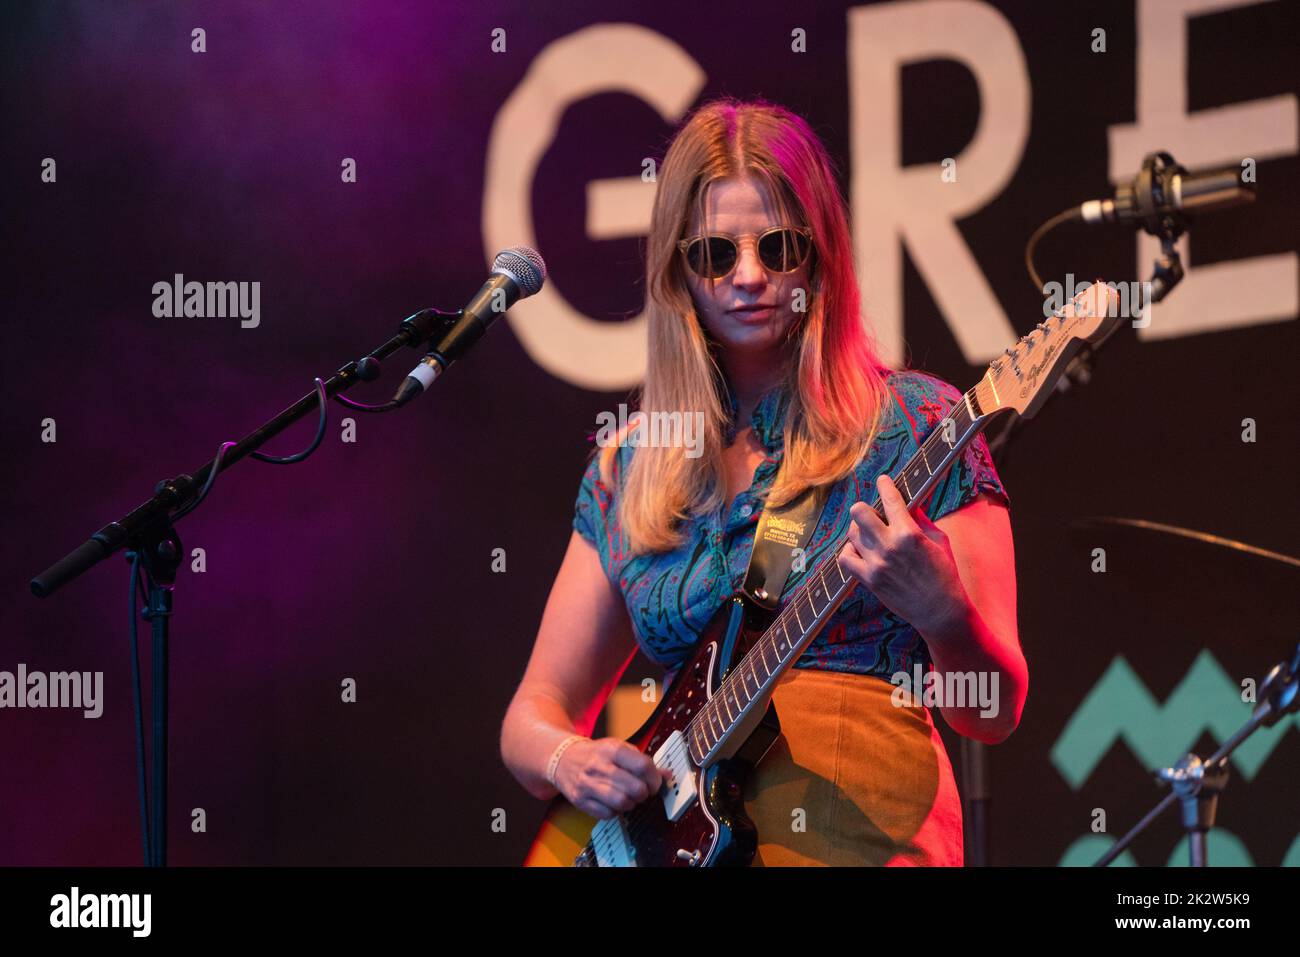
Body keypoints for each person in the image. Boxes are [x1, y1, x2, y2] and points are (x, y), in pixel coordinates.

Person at [500, 97, 1026, 866]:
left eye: (777, 247)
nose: (749, 277)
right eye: (716, 254)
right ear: (678, 270)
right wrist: (564, 758)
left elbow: (997, 708)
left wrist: (944, 612)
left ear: (821, 254)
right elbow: (532, 711)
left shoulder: (915, 424)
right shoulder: (629, 469)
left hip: (863, 834)